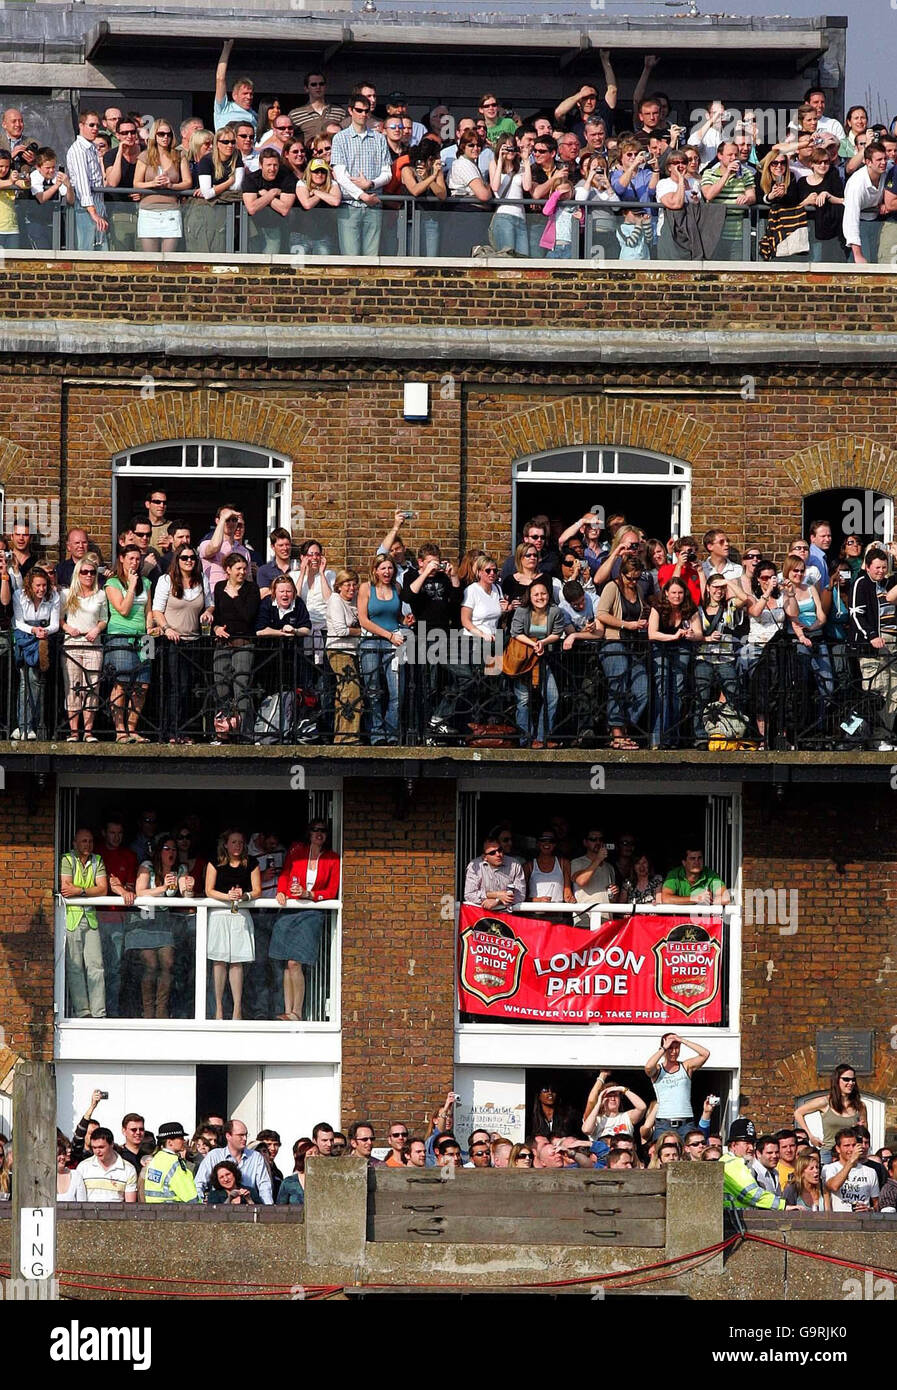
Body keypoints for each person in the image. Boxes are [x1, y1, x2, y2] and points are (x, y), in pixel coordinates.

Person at [271, 821, 340, 1021]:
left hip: (311, 913)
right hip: (290, 910)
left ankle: (297, 1012)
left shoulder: (333, 858)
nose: (319, 834)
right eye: (315, 830)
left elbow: (331, 891)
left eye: (323, 831)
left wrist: (309, 894)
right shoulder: (297, 851)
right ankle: (287, 1010)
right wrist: (281, 892)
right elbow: (285, 873)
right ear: (308, 833)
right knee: (286, 962)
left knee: (295, 962)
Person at [151, 543, 211, 744]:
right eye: (184, 558)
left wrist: (207, 613)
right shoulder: (166, 580)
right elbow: (157, 611)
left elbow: (210, 606)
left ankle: (183, 730)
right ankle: (171, 731)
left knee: (189, 688)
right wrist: (167, 628)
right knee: (176, 686)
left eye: (192, 558)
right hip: (172, 642)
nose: (189, 561)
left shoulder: (202, 580)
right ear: (177, 560)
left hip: (194, 640)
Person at [133, 834, 193, 1019]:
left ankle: (161, 1010)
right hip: (145, 919)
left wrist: (189, 888)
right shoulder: (147, 867)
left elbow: (185, 894)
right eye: (167, 849)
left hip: (164, 922)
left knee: (167, 963)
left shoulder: (180, 869)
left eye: (174, 849)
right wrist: (162, 888)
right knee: (151, 964)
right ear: (159, 852)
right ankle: (148, 1010)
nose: (171, 852)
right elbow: (139, 892)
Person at [205, 829, 261, 1020]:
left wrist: (244, 896)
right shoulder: (215, 862)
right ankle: (219, 1009)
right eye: (234, 842)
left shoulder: (251, 863)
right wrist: (227, 896)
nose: (238, 846)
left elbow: (257, 890)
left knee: (237, 962)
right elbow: (209, 890)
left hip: (240, 915)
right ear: (226, 844)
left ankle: (237, 1009)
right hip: (219, 914)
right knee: (219, 961)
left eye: (241, 842)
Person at [598, 555, 650, 749]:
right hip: (613, 642)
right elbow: (601, 613)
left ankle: (622, 725)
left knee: (642, 687)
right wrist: (626, 624)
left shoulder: (639, 589)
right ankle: (617, 732)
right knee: (617, 686)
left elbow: (640, 611)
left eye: (637, 578)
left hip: (633, 645)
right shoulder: (612, 587)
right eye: (630, 578)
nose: (634, 581)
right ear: (622, 574)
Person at [104, 543, 154, 743]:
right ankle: (120, 730)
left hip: (144, 637)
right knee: (122, 682)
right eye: (131, 558)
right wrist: (132, 586)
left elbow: (148, 611)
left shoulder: (147, 583)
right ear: (122, 559)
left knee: (143, 683)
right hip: (120, 635)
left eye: (137, 558)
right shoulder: (113, 583)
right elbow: (123, 610)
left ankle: (133, 728)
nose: (135, 562)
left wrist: (151, 628)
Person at [509, 578, 567, 747]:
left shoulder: (555, 612)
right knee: (523, 700)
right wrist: (533, 643)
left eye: (543, 593)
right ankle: (524, 738)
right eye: (536, 594)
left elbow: (557, 632)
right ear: (530, 596)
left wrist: (543, 642)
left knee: (552, 697)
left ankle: (541, 737)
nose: (540, 597)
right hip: (524, 659)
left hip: (543, 659)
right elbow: (515, 632)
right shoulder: (522, 611)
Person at [849, 547, 897, 750]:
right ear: (867, 567)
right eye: (877, 567)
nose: (881, 571)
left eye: (884, 567)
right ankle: (875, 739)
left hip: (892, 644)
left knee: (894, 694)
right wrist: (872, 636)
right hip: (872, 647)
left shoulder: (888, 582)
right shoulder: (862, 583)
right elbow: (856, 614)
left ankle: (884, 735)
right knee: (877, 691)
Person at [331, 94, 390, 256]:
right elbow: (340, 175)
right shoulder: (340, 138)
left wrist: (370, 184)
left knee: (372, 260)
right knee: (351, 260)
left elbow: (387, 173)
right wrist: (362, 195)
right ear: (350, 111)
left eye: (366, 111)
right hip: (349, 204)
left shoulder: (379, 139)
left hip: (375, 204)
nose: (363, 114)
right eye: (359, 110)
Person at [59, 829, 108, 1019]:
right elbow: (65, 888)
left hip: (91, 919)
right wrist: (89, 890)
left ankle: (98, 1013)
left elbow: (103, 889)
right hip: (72, 920)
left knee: (96, 966)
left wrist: (79, 891)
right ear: (75, 843)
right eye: (83, 841)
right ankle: (83, 1012)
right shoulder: (67, 860)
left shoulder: (97, 860)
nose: (87, 845)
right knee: (75, 967)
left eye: (90, 841)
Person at [212, 551, 261, 740]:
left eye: (244, 568)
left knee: (241, 687)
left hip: (243, 642)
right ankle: (222, 733)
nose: (242, 572)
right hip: (222, 643)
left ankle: (245, 733)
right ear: (228, 570)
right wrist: (215, 627)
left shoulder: (251, 589)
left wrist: (235, 596)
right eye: (238, 568)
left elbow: (248, 616)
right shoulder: (219, 587)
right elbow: (217, 615)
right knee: (221, 687)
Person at [358, 554, 406, 746]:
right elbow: (364, 620)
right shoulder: (366, 588)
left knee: (397, 691)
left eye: (390, 568)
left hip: (393, 642)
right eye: (383, 568)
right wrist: (388, 635)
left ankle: (391, 732)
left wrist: (405, 621)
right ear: (375, 570)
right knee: (373, 690)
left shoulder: (397, 588)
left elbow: (397, 615)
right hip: (371, 642)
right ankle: (377, 734)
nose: (387, 572)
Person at [59, 553, 107, 742]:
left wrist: (97, 629)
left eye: (92, 572)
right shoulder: (67, 594)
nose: (88, 575)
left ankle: (88, 731)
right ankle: (73, 731)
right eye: (84, 572)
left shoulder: (101, 594)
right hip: (72, 644)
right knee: (72, 687)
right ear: (78, 574)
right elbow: (60, 619)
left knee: (92, 686)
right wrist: (68, 628)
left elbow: (104, 619)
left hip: (93, 644)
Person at [11, 565, 59, 740]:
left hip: (44, 640)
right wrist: (33, 630)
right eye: (37, 586)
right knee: (26, 681)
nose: (41, 589)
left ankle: (32, 725)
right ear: (30, 585)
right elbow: (18, 622)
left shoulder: (53, 596)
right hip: (26, 638)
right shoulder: (19, 596)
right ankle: (25, 726)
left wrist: (44, 631)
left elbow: (55, 624)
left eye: (44, 585)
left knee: (37, 681)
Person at [134, 119, 191, 251]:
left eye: (168, 134)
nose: (165, 137)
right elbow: (136, 183)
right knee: (150, 259)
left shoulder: (179, 155)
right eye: (161, 134)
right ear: (154, 135)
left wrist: (171, 186)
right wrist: (152, 183)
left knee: (168, 259)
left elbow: (188, 182)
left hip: (171, 211)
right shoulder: (145, 156)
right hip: (148, 211)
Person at [794, 1063, 868, 1163]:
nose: (851, 1083)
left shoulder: (860, 1106)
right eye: (846, 1079)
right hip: (828, 1153)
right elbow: (798, 1113)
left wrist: (859, 1129)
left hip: (850, 1154)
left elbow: (864, 1133)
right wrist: (810, 1136)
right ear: (837, 1080)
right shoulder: (825, 1102)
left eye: (853, 1080)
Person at [644, 1032, 710, 1138]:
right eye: (671, 1048)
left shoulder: (686, 1066)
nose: (674, 1052)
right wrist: (664, 1048)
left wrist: (683, 1040)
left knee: (688, 1153)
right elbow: (648, 1067)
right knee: (663, 1152)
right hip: (664, 1122)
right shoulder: (657, 1069)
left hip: (686, 1123)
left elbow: (705, 1054)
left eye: (677, 1048)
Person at [195, 1119, 273, 1203]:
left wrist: (267, 1209)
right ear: (228, 1136)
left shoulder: (256, 1157)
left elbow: (265, 1187)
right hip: (219, 1206)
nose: (245, 1138)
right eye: (241, 1135)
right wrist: (199, 1208)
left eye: (246, 1135)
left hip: (248, 1207)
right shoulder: (214, 1156)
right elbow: (199, 1184)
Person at [326, 568, 363, 743]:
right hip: (339, 650)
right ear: (339, 586)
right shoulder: (335, 599)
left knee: (347, 692)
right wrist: (362, 631)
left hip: (353, 651)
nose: (351, 588)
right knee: (350, 691)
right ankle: (347, 737)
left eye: (354, 585)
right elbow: (341, 630)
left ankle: (343, 734)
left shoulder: (355, 601)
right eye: (347, 584)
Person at [722, 1119, 789, 1212]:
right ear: (733, 1145)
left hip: (736, 1220)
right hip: (732, 1221)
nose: (751, 1148)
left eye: (752, 1143)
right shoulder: (732, 1163)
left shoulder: (735, 1162)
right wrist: (783, 1205)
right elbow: (751, 1193)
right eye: (747, 1143)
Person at [66, 111, 108, 250]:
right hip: (85, 210)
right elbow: (82, 184)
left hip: (97, 208)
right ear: (81, 125)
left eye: (97, 125)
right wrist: (93, 213)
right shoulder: (79, 150)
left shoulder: (91, 148)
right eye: (91, 125)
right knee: (87, 252)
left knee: (101, 251)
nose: (95, 128)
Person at [823, 1127, 881, 1212]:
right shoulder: (830, 1168)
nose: (851, 1149)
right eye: (846, 1146)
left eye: (854, 1145)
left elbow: (876, 1203)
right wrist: (851, 1161)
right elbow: (834, 1186)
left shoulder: (870, 1172)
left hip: (863, 1221)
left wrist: (870, 1209)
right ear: (838, 1149)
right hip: (839, 1221)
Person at [570, 828, 619, 925]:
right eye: (593, 839)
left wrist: (614, 892)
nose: (598, 842)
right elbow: (581, 881)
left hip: (606, 921)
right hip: (584, 921)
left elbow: (612, 899)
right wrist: (598, 859)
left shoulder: (609, 867)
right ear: (585, 842)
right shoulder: (577, 862)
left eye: (600, 839)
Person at [463, 836, 526, 910]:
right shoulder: (475, 866)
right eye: (492, 853)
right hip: (483, 916)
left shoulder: (514, 864)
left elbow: (520, 896)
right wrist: (496, 895)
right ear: (484, 857)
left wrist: (498, 901)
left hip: (507, 915)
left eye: (500, 850)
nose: (498, 854)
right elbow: (469, 895)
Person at [76, 1126, 138, 1202]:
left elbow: (130, 1206)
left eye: (101, 1147)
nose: (97, 1151)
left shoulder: (128, 1169)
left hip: (117, 1213)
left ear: (111, 1144)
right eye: (94, 1148)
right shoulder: (83, 1167)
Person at [143, 1121, 199, 1203]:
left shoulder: (157, 1158)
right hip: (174, 1212)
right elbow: (189, 1196)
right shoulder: (174, 1163)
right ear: (170, 1142)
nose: (184, 1141)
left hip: (154, 1211)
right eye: (180, 1138)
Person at [582, 1072, 647, 1140]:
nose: (613, 1099)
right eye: (609, 1096)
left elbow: (642, 1107)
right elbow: (587, 1130)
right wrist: (599, 1103)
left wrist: (622, 1089)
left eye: (616, 1095)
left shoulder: (626, 1116)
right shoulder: (596, 1119)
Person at [213, 40, 256, 132]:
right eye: (245, 93)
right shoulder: (224, 108)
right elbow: (220, 79)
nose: (249, 97)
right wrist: (227, 48)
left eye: (251, 94)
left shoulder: (255, 115)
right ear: (234, 95)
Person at [661, 848, 730, 905]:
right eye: (692, 858)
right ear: (684, 862)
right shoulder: (674, 875)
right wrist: (696, 898)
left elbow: (726, 898)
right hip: (678, 919)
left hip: (702, 919)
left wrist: (709, 899)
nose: (697, 862)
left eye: (699, 858)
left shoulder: (710, 875)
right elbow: (665, 898)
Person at [524, 828, 575, 904]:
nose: (547, 844)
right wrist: (538, 900)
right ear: (538, 843)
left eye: (551, 841)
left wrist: (569, 898)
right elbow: (521, 896)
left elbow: (567, 891)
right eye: (543, 840)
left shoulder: (564, 864)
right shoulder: (528, 866)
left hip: (557, 912)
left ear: (555, 844)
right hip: (533, 912)